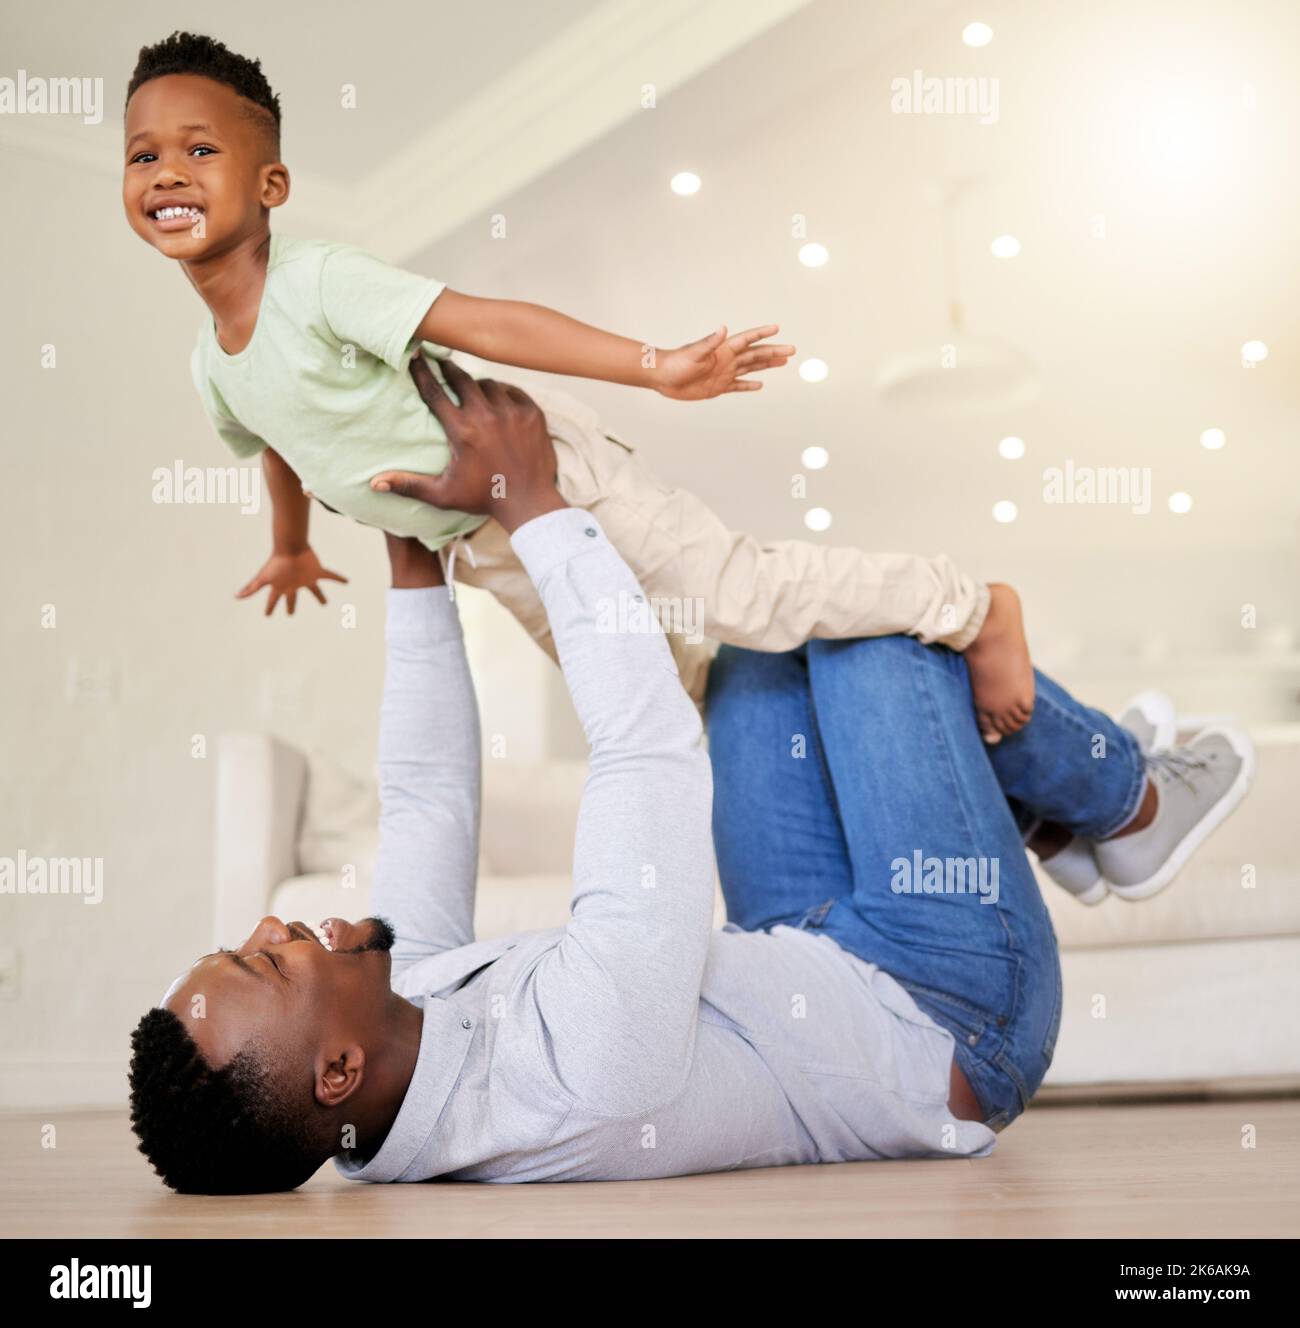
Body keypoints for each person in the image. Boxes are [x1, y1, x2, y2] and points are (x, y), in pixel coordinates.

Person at [128, 364, 1255, 1194]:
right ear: (333, 1070)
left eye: (245, 936)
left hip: (800, 944)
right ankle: (1128, 801)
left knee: (759, 647)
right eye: (264, 961)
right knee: (876, 636)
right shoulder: (579, 1074)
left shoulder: (385, 1042)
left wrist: (415, 558)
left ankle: (1031, 810)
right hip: (946, 1011)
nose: (276, 922)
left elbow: (427, 793)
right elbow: (644, 750)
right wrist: (537, 507)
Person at [122, 29, 1036, 744]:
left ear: (271, 181)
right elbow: (278, 440)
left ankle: (970, 605)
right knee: (648, 689)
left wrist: (657, 366)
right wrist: (290, 546)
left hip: (555, 479)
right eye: (143, 156)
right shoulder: (214, 365)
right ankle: (822, 728)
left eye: (200, 151)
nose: (167, 171)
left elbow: (486, 322)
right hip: (484, 546)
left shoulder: (318, 282)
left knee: (740, 596)